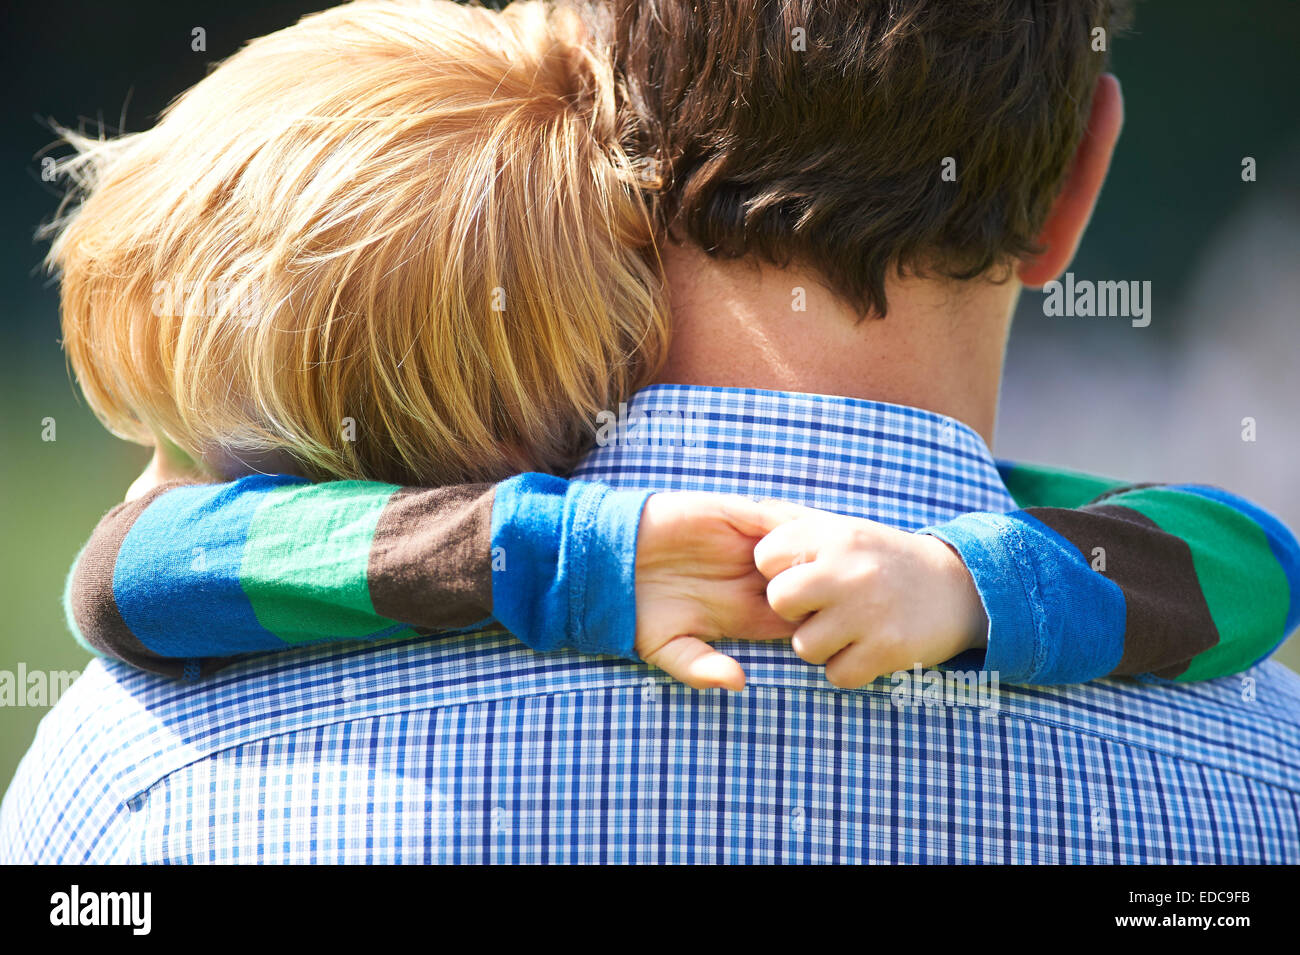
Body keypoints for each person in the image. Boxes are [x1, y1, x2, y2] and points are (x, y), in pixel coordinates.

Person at [3, 0, 1298, 862]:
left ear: (589, 140)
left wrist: (576, 563)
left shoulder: (144, 781)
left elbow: (133, 570)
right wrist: (974, 586)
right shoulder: (1263, 785)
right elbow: (1254, 563)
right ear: (1079, 180)